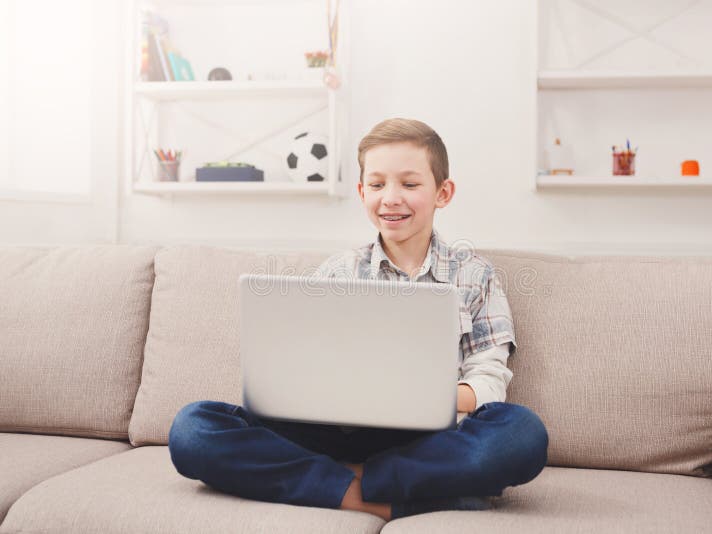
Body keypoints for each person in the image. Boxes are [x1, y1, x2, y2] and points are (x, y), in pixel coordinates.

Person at [167, 118, 549, 521]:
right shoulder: (337, 271)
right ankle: (384, 495)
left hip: (426, 440)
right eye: (378, 184)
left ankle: (334, 484)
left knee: (521, 434)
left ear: (443, 192)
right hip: (329, 432)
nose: (391, 198)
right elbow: (295, 367)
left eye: (410, 184)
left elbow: (488, 381)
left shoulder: (475, 275)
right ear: (362, 191)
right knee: (192, 429)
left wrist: (419, 398)